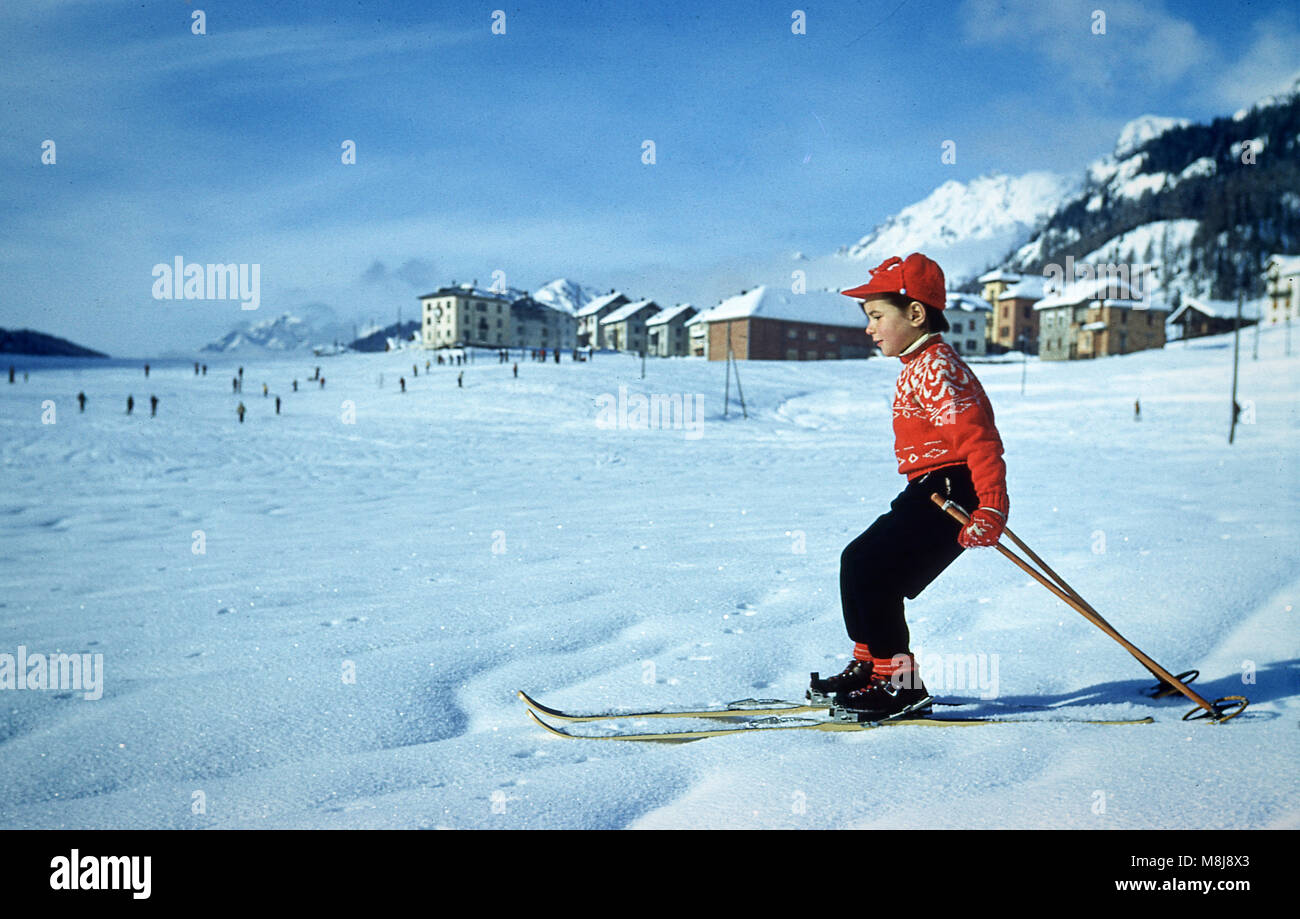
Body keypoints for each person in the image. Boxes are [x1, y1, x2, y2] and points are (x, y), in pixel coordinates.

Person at [810, 253, 1010, 719]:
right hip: (928, 488)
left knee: (871, 568)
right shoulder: (918, 364)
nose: (869, 328)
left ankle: (900, 685)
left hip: (953, 491)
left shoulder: (938, 367)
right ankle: (872, 666)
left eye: (878, 315)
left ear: (915, 313)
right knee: (858, 563)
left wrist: (992, 507)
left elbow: (980, 439)